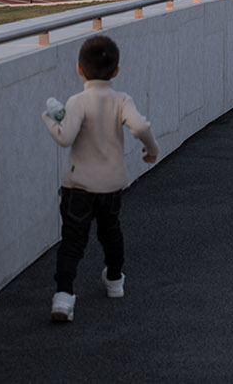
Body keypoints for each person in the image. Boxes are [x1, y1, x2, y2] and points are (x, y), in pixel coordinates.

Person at [41, 34, 159, 322]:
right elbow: (140, 125)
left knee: (72, 241)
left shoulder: (77, 101)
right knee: (111, 233)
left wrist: (49, 119)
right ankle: (115, 280)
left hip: (79, 185)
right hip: (111, 185)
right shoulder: (121, 100)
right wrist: (151, 149)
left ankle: (64, 297)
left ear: (79, 69)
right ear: (116, 71)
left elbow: (65, 137)